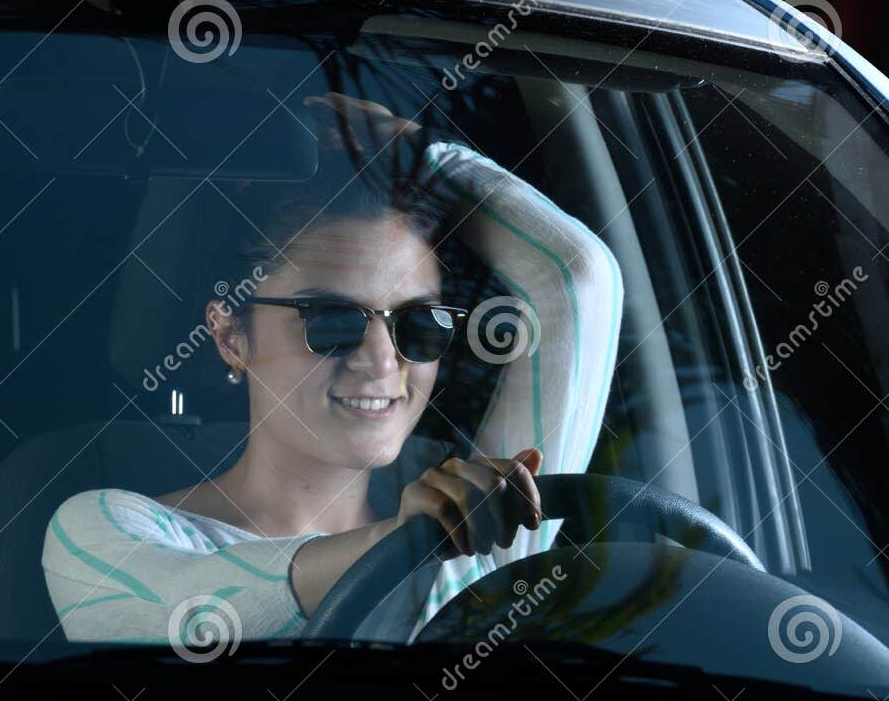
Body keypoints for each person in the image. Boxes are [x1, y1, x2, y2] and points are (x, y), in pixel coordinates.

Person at [43, 96, 623, 646]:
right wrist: (403, 542)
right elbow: (188, 605)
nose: (381, 360)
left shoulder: (474, 533)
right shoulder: (104, 532)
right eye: (331, 321)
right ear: (229, 335)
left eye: (419, 324)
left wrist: (433, 158)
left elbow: (578, 278)